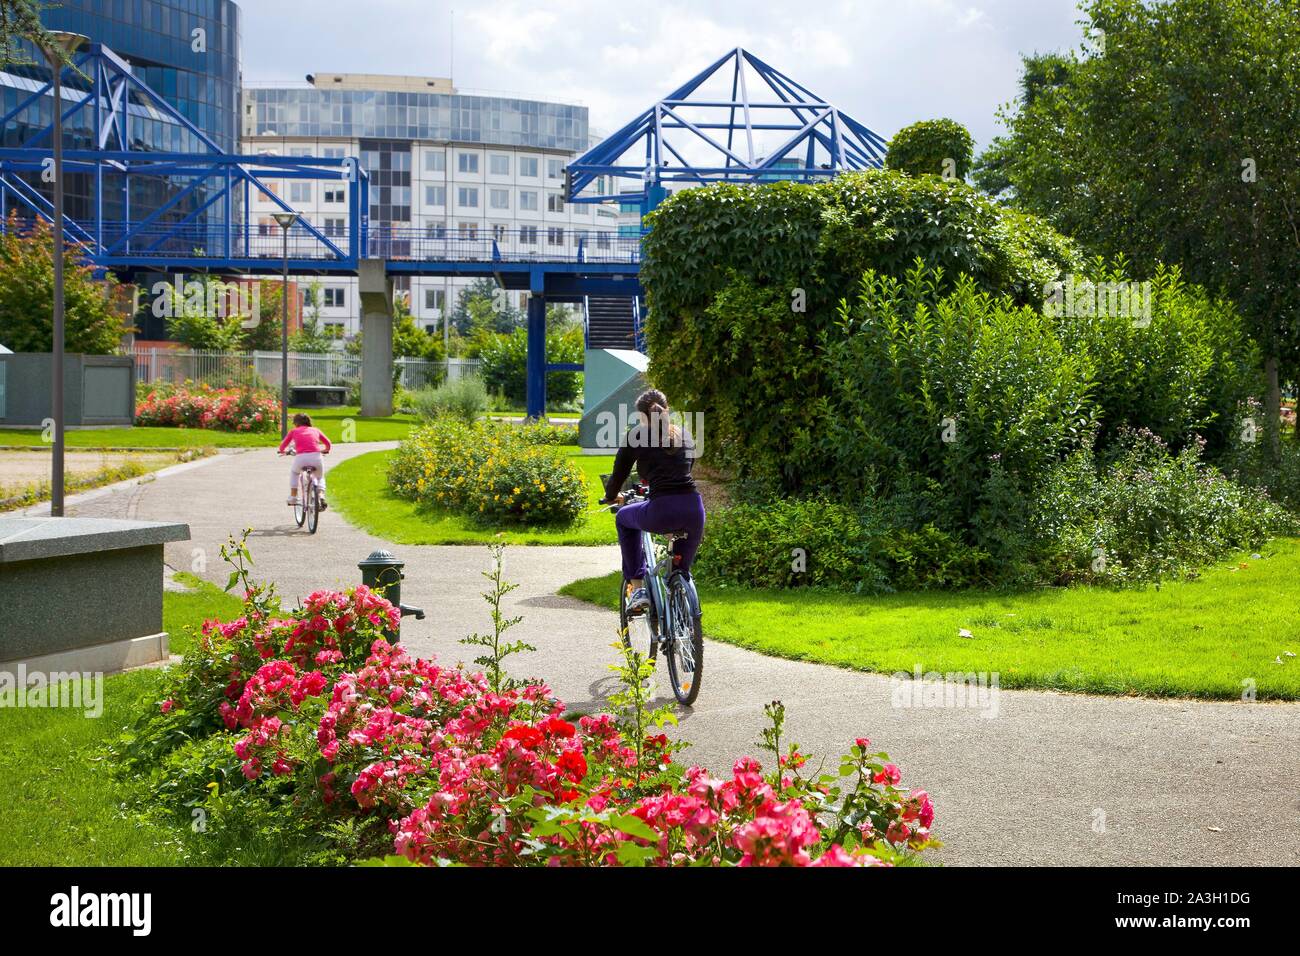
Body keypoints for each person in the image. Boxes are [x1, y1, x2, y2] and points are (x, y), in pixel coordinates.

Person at [599, 389, 705, 614]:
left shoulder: (636, 436)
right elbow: (685, 469)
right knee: (679, 571)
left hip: (661, 511)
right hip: (694, 511)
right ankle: (681, 615)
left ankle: (637, 589)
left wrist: (610, 496)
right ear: (667, 409)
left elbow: (618, 476)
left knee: (623, 518)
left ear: (641, 416)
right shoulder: (684, 435)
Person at [278, 413, 331, 509]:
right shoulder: (316, 430)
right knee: (319, 477)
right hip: (316, 457)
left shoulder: (294, 431)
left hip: (301, 458)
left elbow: (283, 445)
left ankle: (293, 497)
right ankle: (321, 496)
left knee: (295, 472)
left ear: (296, 423)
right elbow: (328, 443)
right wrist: (326, 450)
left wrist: (282, 451)